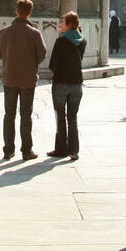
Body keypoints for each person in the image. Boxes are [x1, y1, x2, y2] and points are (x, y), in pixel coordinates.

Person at [0, 0, 46, 160]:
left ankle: (8, 149)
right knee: (26, 115)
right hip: (28, 79)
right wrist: (31, 64)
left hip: (9, 78)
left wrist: (10, 62)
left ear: (16, 11)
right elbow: (42, 54)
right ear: (29, 13)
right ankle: (26, 150)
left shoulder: (4, 32)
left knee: (9, 115)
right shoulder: (35, 33)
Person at [47, 11, 86, 160]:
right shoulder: (82, 40)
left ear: (69, 25)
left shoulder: (61, 41)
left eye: (62, 22)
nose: (60, 25)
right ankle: (74, 150)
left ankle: (61, 149)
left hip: (61, 83)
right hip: (77, 83)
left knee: (61, 116)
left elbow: (53, 65)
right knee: (72, 117)